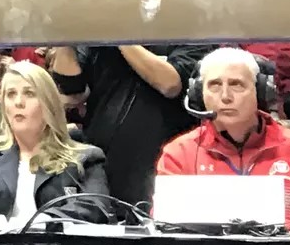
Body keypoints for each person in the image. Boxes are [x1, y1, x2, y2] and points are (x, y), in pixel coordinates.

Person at [154, 47, 290, 232]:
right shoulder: (179, 154)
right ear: (199, 94)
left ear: (261, 92)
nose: (225, 96)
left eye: (237, 85)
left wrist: (283, 231)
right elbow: (166, 231)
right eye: (214, 85)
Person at [0, 59, 107, 221]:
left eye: (29, 93)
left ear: (48, 104)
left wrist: (44, 221)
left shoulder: (85, 158)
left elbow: (96, 207)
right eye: (10, 94)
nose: (18, 102)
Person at [44, 44, 200, 207]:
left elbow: (170, 85)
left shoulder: (183, 29)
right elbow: (71, 92)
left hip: (161, 160)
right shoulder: (96, 39)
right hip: (105, 162)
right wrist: (66, 42)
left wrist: (120, 35)